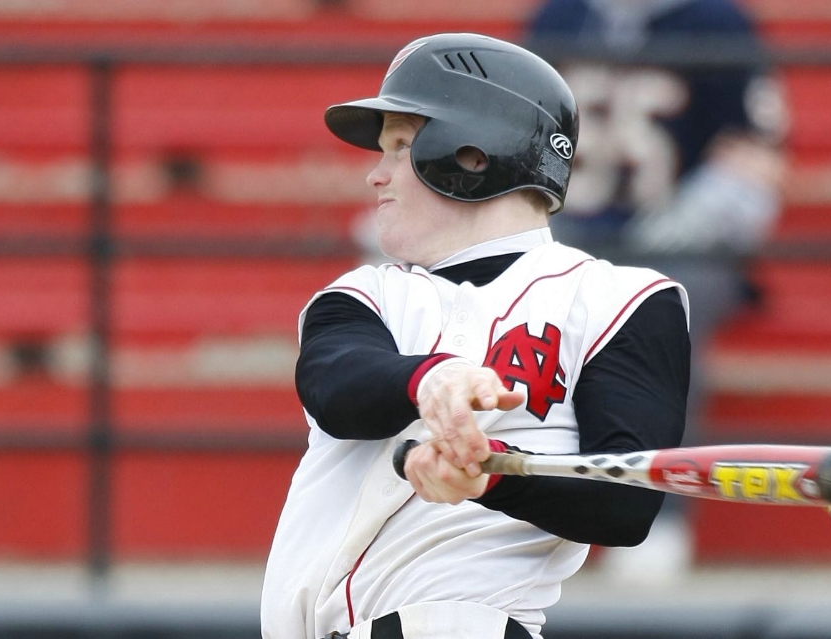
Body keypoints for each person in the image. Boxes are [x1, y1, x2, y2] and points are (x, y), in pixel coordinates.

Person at [260, 33, 690, 639]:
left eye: (401, 146)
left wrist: (487, 477)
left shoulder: (621, 301)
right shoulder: (369, 294)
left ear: (472, 155)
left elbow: (623, 507)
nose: (375, 177)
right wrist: (431, 378)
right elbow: (334, 386)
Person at [525, 0, 788, 578]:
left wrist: (674, 231)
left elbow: (752, 162)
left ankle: (654, 512)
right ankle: (517, 510)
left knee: (666, 311)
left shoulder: (719, 22)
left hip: (684, 236)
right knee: (510, 297)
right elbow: (518, 140)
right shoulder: (559, 17)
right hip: (565, 227)